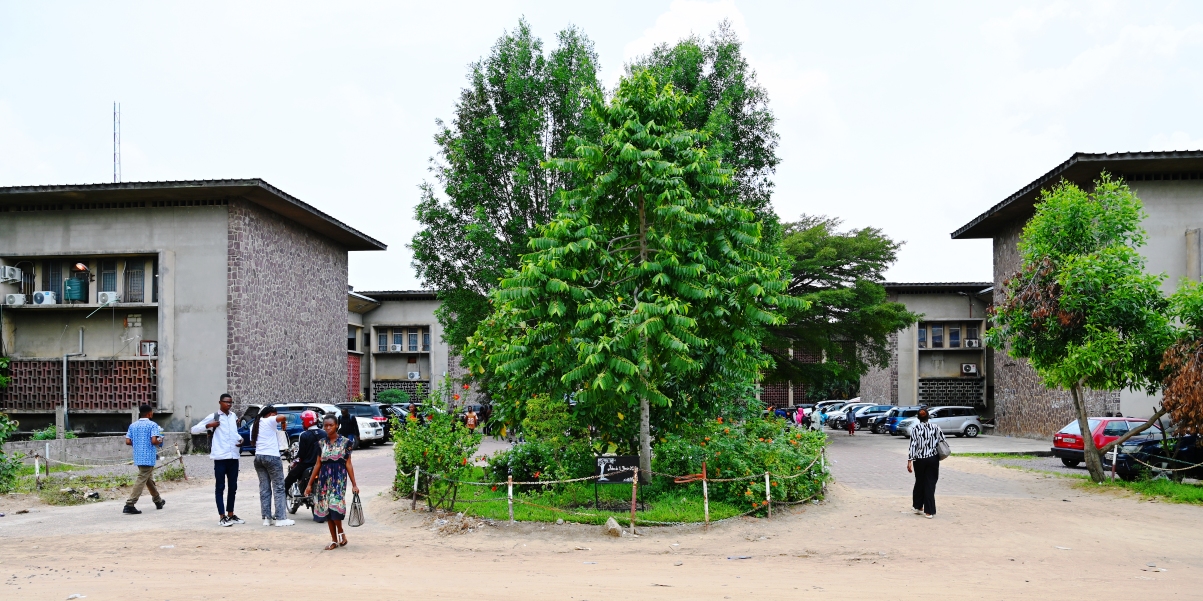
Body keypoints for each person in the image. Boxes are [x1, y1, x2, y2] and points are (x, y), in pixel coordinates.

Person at [190, 393, 245, 527]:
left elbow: (234, 433)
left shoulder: (233, 416)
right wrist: (209, 425)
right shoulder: (214, 416)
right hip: (220, 457)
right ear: (220, 402)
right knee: (220, 487)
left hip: (233, 456)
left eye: (231, 402)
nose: (229, 404)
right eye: (226, 402)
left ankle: (231, 514)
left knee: (233, 487)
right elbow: (193, 430)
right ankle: (222, 516)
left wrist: (241, 439)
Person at [306, 414, 360, 550]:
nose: (328, 428)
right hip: (324, 479)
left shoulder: (346, 442)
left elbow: (348, 464)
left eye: (331, 425)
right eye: (326, 425)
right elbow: (318, 464)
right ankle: (334, 540)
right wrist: (309, 484)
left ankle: (341, 532)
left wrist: (354, 484)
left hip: (339, 479)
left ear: (337, 425)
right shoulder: (321, 443)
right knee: (327, 509)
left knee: (335, 505)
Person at [251, 405, 294, 527]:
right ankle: (280, 518)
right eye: (275, 414)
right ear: (270, 414)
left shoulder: (255, 424)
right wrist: (283, 421)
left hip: (258, 457)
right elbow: (283, 417)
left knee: (264, 488)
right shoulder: (269, 420)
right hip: (272, 457)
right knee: (279, 487)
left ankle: (267, 518)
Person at [123, 404, 165, 514]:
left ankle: (158, 500)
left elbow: (128, 441)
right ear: (150, 413)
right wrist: (160, 440)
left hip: (138, 455)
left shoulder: (133, 425)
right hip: (148, 456)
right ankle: (130, 503)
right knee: (142, 478)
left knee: (147, 479)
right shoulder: (153, 425)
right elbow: (154, 441)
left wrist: (138, 443)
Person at [906, 408, 947, 519]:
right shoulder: (936, 427)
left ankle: (918, 506)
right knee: (930, 483)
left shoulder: (915, 429)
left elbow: (913, 445)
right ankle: (929, 511)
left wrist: (910, 460)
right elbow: (942, 440)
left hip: (919, 459)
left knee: (919, 481)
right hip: (933, 458)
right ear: (928, 416)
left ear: (918, 418)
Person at [284, 410, 323, 496]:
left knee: (291, 476)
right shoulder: (324, 433)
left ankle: (284, 492)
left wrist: (295, 458)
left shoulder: (304, 435)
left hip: (307, 464)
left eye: (303, 421)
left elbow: (301, 454)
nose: (302, 423)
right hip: (321, 464)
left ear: (307, 421)